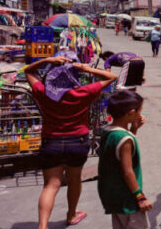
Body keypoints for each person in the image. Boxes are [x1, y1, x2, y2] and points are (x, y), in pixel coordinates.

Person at [24, 56, 118, 228]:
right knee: (74, 180)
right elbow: (112, 77)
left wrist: (49, 60)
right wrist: (86, 68)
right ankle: (71, 215)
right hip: (77, 141)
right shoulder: (83, 93)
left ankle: (42, 226)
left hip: (51, 142)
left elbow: (28, 71)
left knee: (51, 185)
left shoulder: (43, 92)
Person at [98, 89, 153, 229]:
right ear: (131, 113)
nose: (141, 114)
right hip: (128, 197)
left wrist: (134, 129)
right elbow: (127, 171)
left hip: (113, 195)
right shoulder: (125, 139)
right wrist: (140, 197)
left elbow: (117, 156)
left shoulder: (108, 131)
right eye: (140, 111)